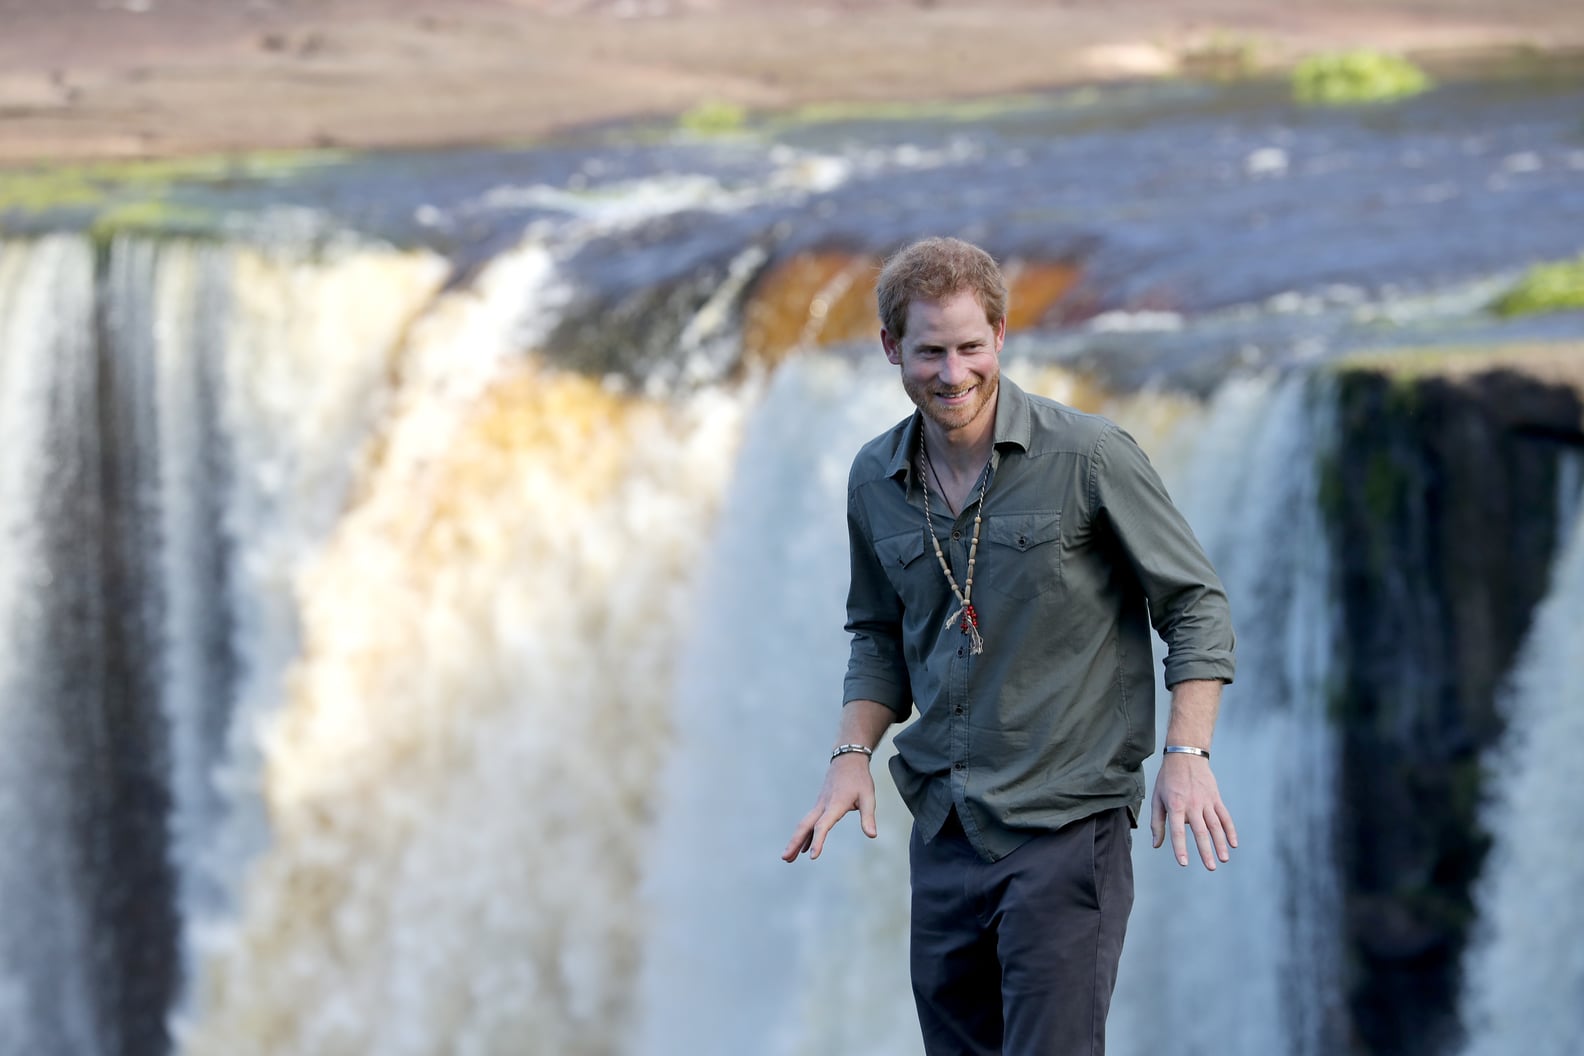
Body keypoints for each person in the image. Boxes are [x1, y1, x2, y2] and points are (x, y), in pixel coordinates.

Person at [781, 236, 1238, 1056]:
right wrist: (852, 751)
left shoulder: (1090, 458)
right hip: (948, 834)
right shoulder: (873, 480)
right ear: (892, 348)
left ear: (1000, 334)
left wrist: (1188, 752)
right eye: (929, 352)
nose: (952, 374)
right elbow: (877, 633)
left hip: (1065, 827)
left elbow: (1194, 604)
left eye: (968, 347)